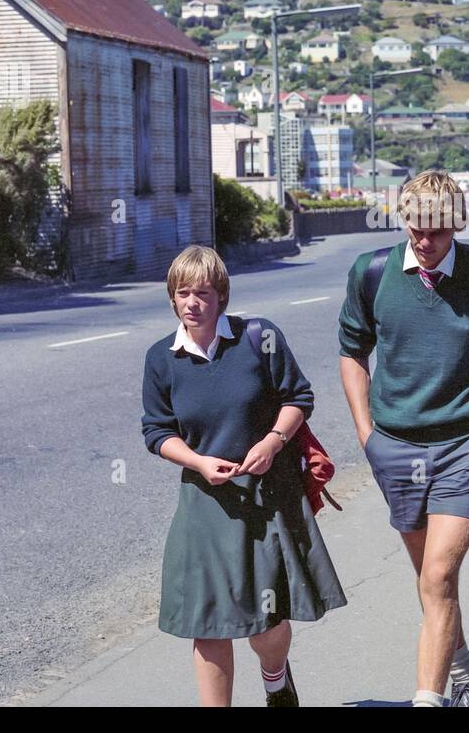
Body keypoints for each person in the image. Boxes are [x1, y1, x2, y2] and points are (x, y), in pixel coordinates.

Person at [338, 170, 469, 707]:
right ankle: (464, 674)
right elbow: (352, 353)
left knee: (440, 572)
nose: (426, 243)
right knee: (431, 580)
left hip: (464, 445)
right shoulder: (372, 272)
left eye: (438, 232)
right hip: (395, 448)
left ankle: (428, 699)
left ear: (458, 224)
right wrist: (366, 434)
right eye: (416, 230)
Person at [141, 245, 346, 707]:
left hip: (266, 496)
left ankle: (275, 679)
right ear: (172, 298)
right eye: (183, 293)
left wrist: (273, 441)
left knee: (266, 620)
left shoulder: (259, 337)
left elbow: (298, 397)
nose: (193, 303)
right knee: (209, 623)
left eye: (203, 293)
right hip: (206, 500)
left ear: (222, 296)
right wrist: (197, 462)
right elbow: (156, 431)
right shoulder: (160, 358)